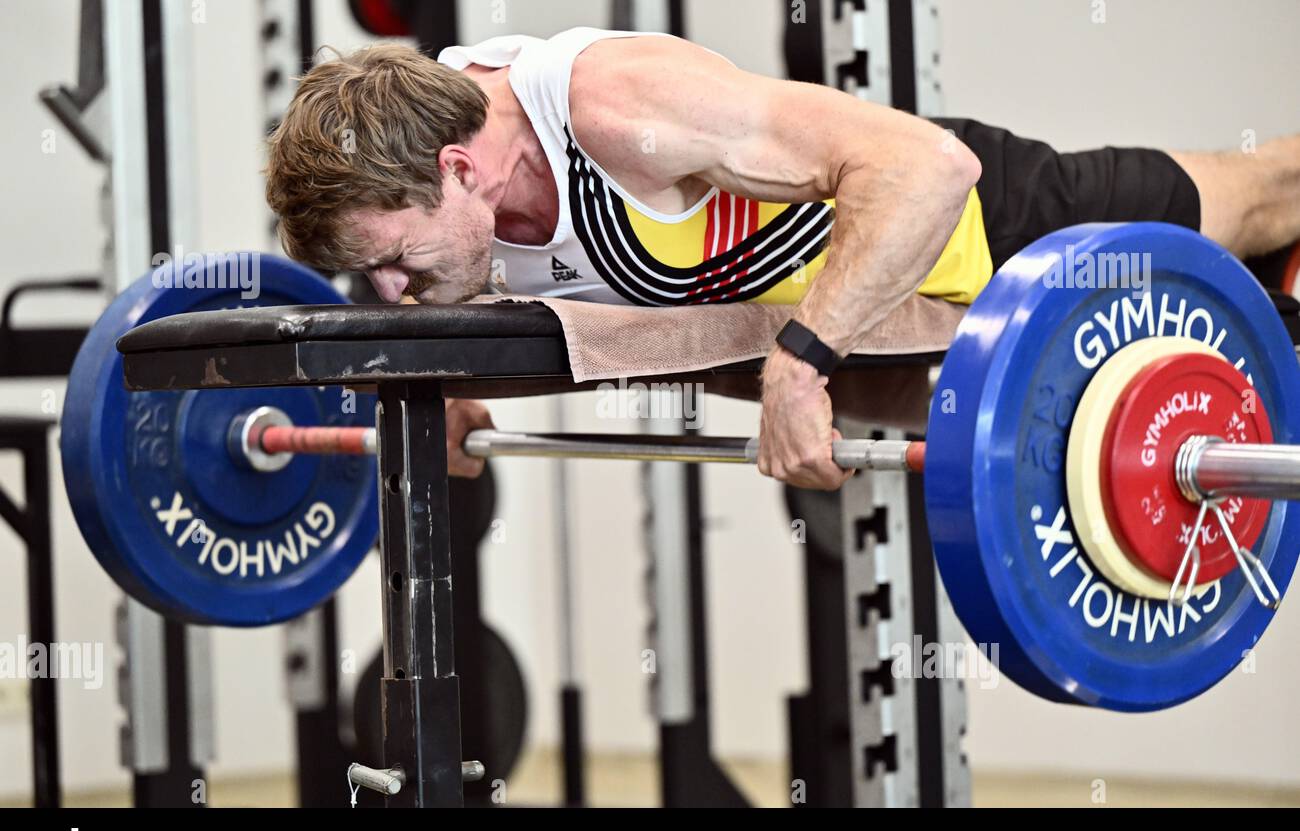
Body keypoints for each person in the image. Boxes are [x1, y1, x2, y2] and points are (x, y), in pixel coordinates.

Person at [265, 27, 1300, 489]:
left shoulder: (615, 109)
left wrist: (802, 362)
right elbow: (514, 300)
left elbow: (924, 166)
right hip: (890, 351)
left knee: (1264, 196)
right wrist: (433, 377)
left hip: (993, 224)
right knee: (1250, 369)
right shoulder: (433, 168)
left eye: (395, 264)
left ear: (461, 168)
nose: (391, 291)